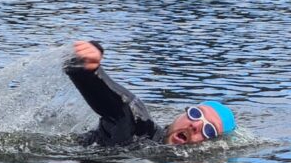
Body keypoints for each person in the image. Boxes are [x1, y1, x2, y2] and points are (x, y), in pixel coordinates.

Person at [64, 40, 236, 147]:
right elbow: (122, 109)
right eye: (195, 114)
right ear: (181, 114)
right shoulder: (142, 128)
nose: (196, 125)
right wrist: (88, 70)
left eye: (209, 130)